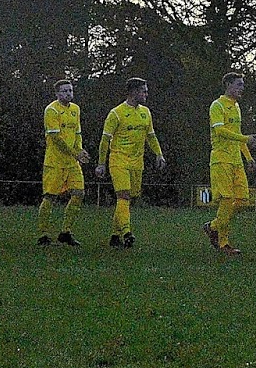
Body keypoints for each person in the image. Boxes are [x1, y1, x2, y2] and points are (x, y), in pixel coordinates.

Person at [96, 77, 165, 248]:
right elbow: (105, 140)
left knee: (129, 198)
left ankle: (114, 235)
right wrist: (101, 163)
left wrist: (159, 154)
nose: (146, 94)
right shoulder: (116, 113)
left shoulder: (146, 112)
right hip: (118, 160)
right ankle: (127, 232)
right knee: (123, 195)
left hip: (136, 162)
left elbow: (151, 136)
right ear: (134, 92)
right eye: (144, 91)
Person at [205, 72, 256, 257]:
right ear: (228, 84)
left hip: (236, 161)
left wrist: (248, 157)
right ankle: (224, 243)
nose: (242, 88)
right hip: (221, 160)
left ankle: (212, 226)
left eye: (242, 84)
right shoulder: (217, 105)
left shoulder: (236, 107)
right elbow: (220, 131)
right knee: (227, 201)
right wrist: (246, 138)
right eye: (238, 84)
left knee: (242, 200)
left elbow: (238, 135)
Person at [38, 79, 90, 247]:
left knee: (79, 193)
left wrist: (80, 150)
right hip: (55, 162)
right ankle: (43, 234)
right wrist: (75, 153)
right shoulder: (51, 110)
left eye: (70, 90)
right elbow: (56, 138)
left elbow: (78, 133)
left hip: (72, 162)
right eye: (65, 91)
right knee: (50, 197)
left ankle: (65, 232)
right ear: (57, 94)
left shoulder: (75, 109)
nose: (69, 93)